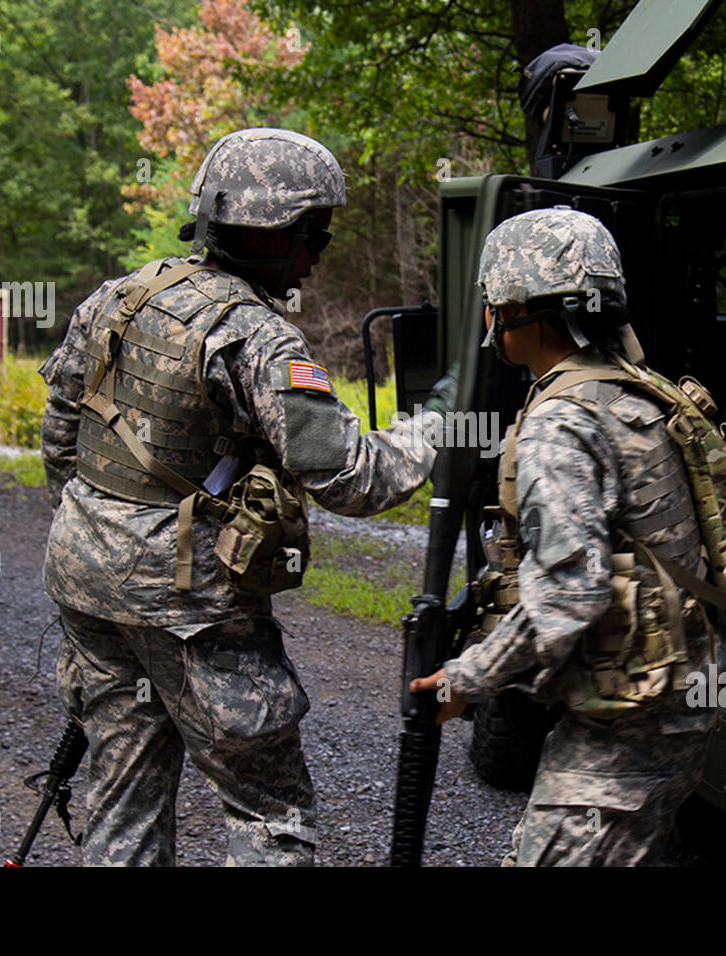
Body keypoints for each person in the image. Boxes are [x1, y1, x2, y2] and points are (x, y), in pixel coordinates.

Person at [39, 128, 451, 866]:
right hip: (188, 602)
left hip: (83, 578)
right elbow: (356, 478)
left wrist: (104, 531)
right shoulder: (258, 339)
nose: (317, 255)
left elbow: (61, 441)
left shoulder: (117, 298)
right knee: (268, 809)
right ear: (276, 236)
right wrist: (443, 423)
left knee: (123, 795)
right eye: (314, 235)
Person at [411, 207, 724, 866]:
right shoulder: (640, 392)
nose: (491, 320)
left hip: (630, 726)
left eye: (497, 304)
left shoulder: (562, 420)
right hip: (679, 697)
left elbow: (568, 597)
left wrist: (464, 680)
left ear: (522, 309)